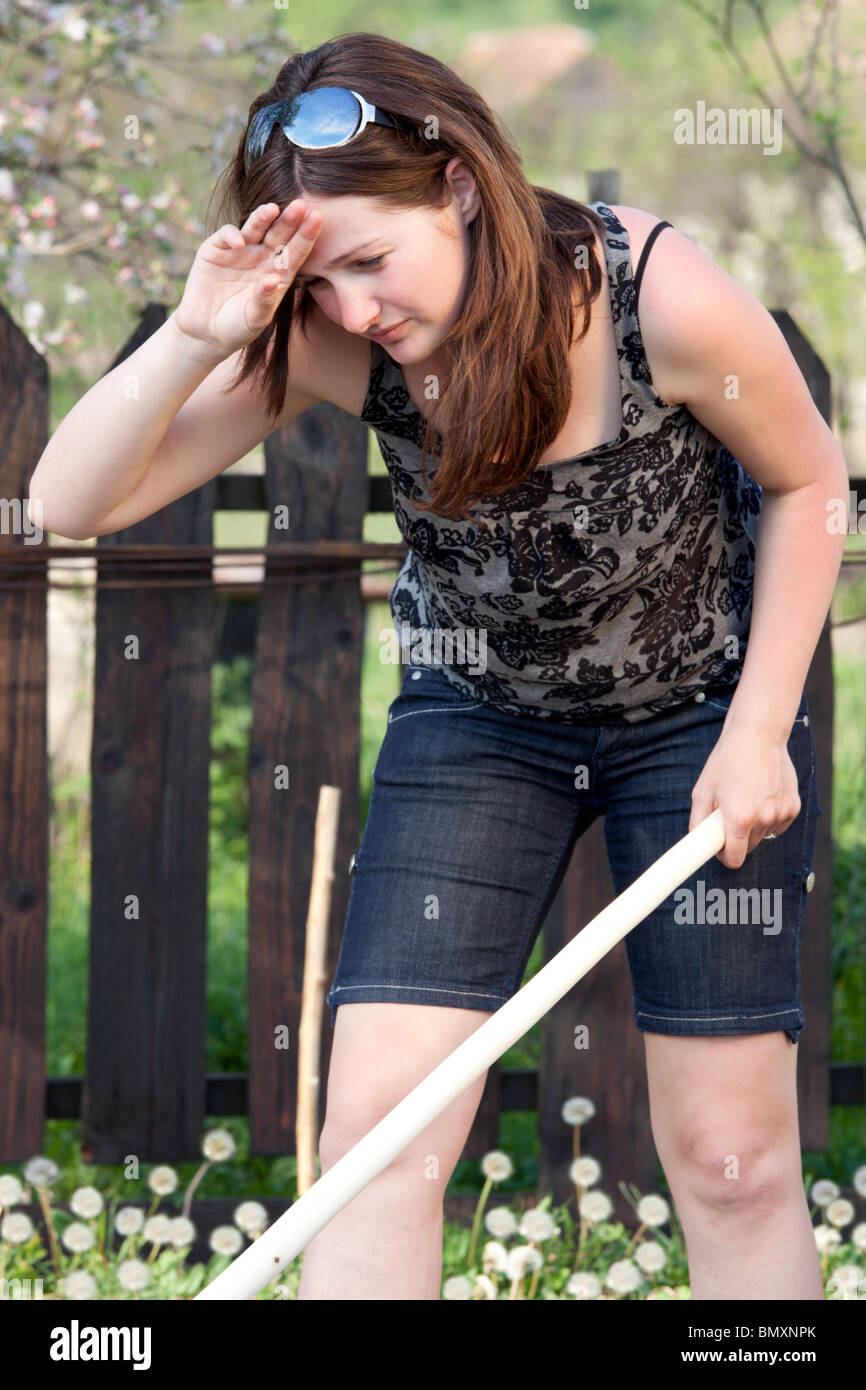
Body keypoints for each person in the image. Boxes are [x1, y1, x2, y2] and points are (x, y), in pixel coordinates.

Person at [31, 33, 848, 1302]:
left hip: (698, 716)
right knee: (376, 1145)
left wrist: (755, 734)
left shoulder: (654, 296)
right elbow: (72, 498)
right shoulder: (330, 336)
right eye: (323, 278)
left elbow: (806, 485)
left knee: (732, 1159)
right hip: (479, 726)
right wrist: (200, 332)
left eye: (369, 259)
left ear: (458, 184)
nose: (355, 310)